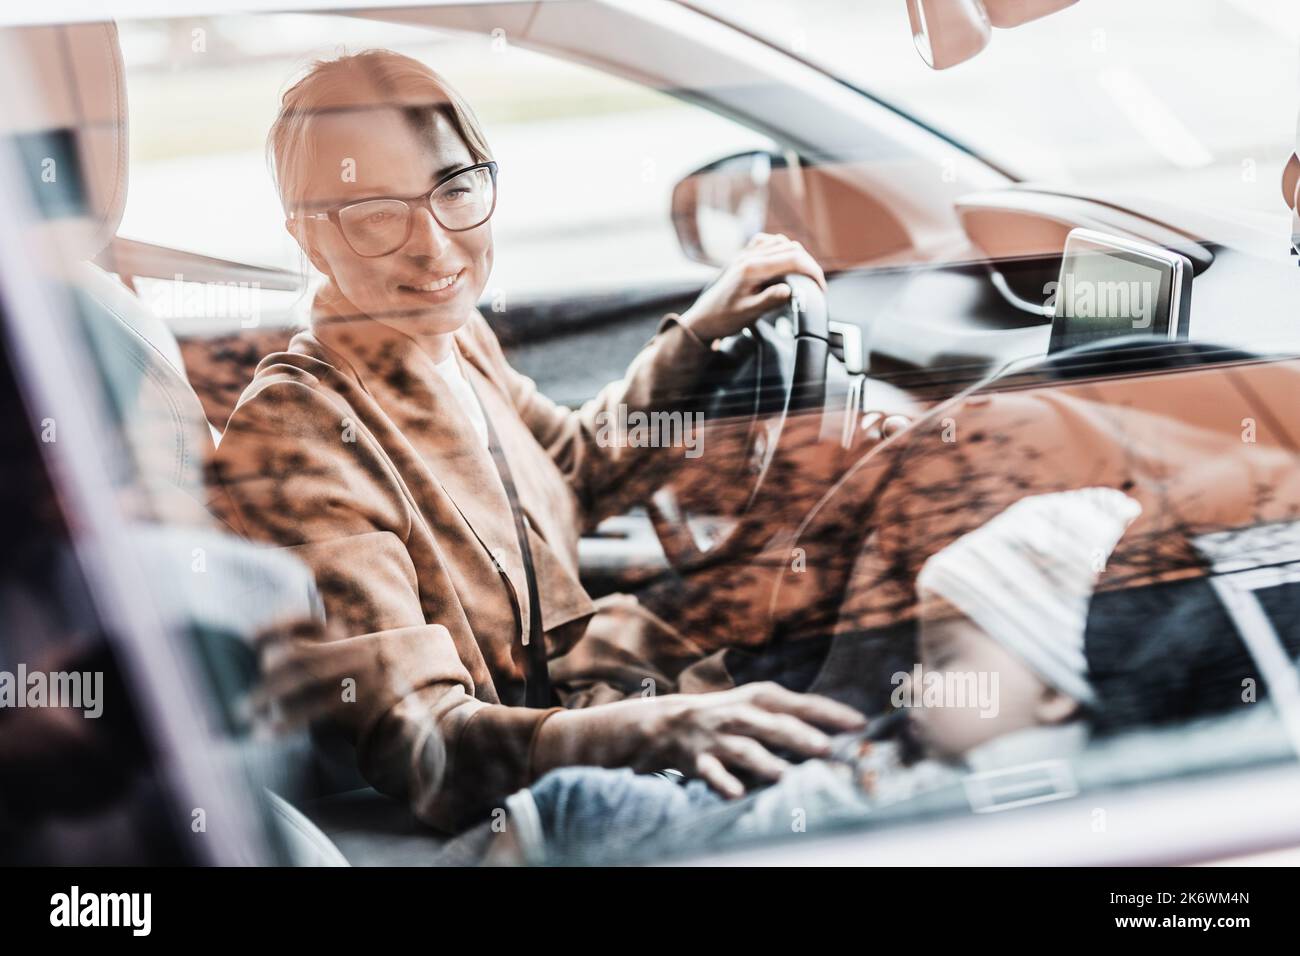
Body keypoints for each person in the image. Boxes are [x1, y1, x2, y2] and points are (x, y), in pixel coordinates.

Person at [211, 49, 866, 833]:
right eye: (378, 213)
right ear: (312, 239)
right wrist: (660, 730)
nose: (434, 246)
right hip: (541, 800)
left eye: (454, 188)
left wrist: (697, 333)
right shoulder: (297, 434)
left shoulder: (450, 336)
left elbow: (573, 469)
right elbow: (425, 741)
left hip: (625, 686)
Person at [483, 487, 1142, 865]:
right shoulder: (963, 744)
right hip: (736, 807)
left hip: (721, 831)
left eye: (944, 662)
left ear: (1057, 691)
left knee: (565, 805)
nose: (914, 681)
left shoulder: (1015, 782)